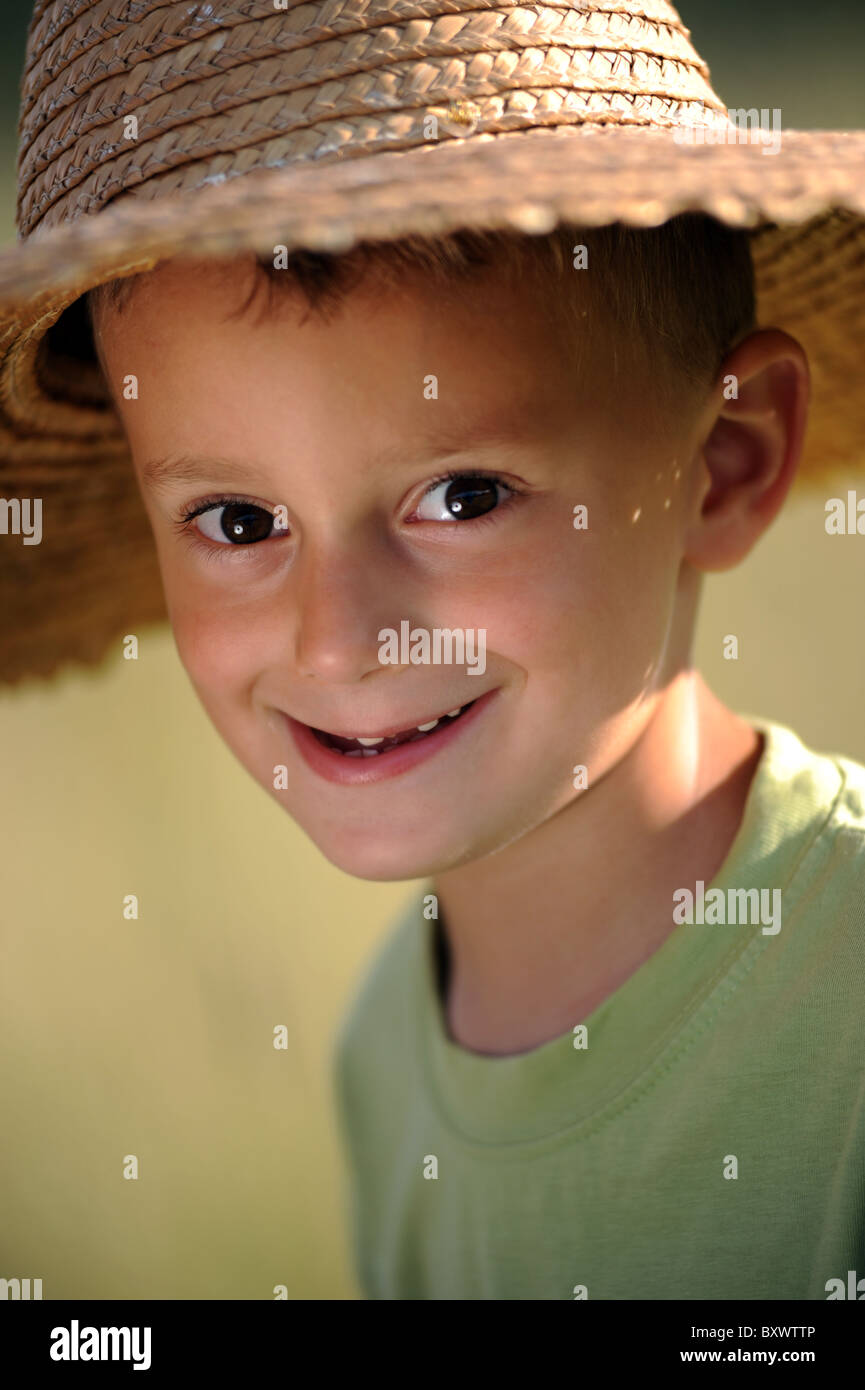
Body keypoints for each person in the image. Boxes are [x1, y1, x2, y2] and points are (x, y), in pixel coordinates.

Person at [2, 0, 864, 1300]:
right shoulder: (381, 1057)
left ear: (724, 460)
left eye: (462, 496)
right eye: (238, 521)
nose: (340, 638)